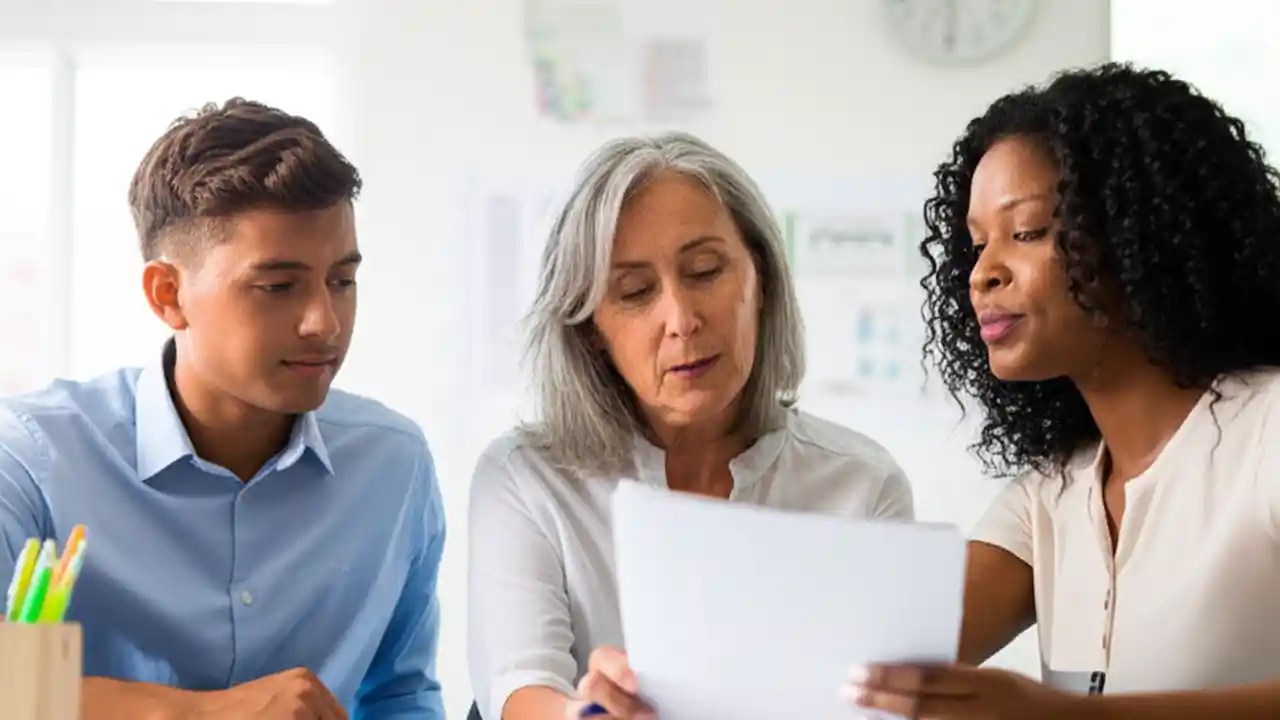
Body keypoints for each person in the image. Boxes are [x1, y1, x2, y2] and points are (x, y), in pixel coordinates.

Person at [842, 64, 1280, 718]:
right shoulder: (1049, 495)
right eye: (976, 243)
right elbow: (867, 664)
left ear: (1139, 233)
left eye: (1026, 233)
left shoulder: (1267, 432)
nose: (983, 274)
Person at [0, 99, 446, 719]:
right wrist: (207, 713)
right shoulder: (30, 458)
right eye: (277, 287)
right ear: (168, 294)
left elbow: (400, 695)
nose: (324, 322)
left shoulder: (394, 465)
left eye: (342, 281)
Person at [467, 131, 915, 720]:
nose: (681, 319)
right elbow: (521, 690)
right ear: (591, 331)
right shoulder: (526, 478)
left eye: (705, 271)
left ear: (762, 281)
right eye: (635, 292)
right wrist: (591, 714)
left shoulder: (862, 483)